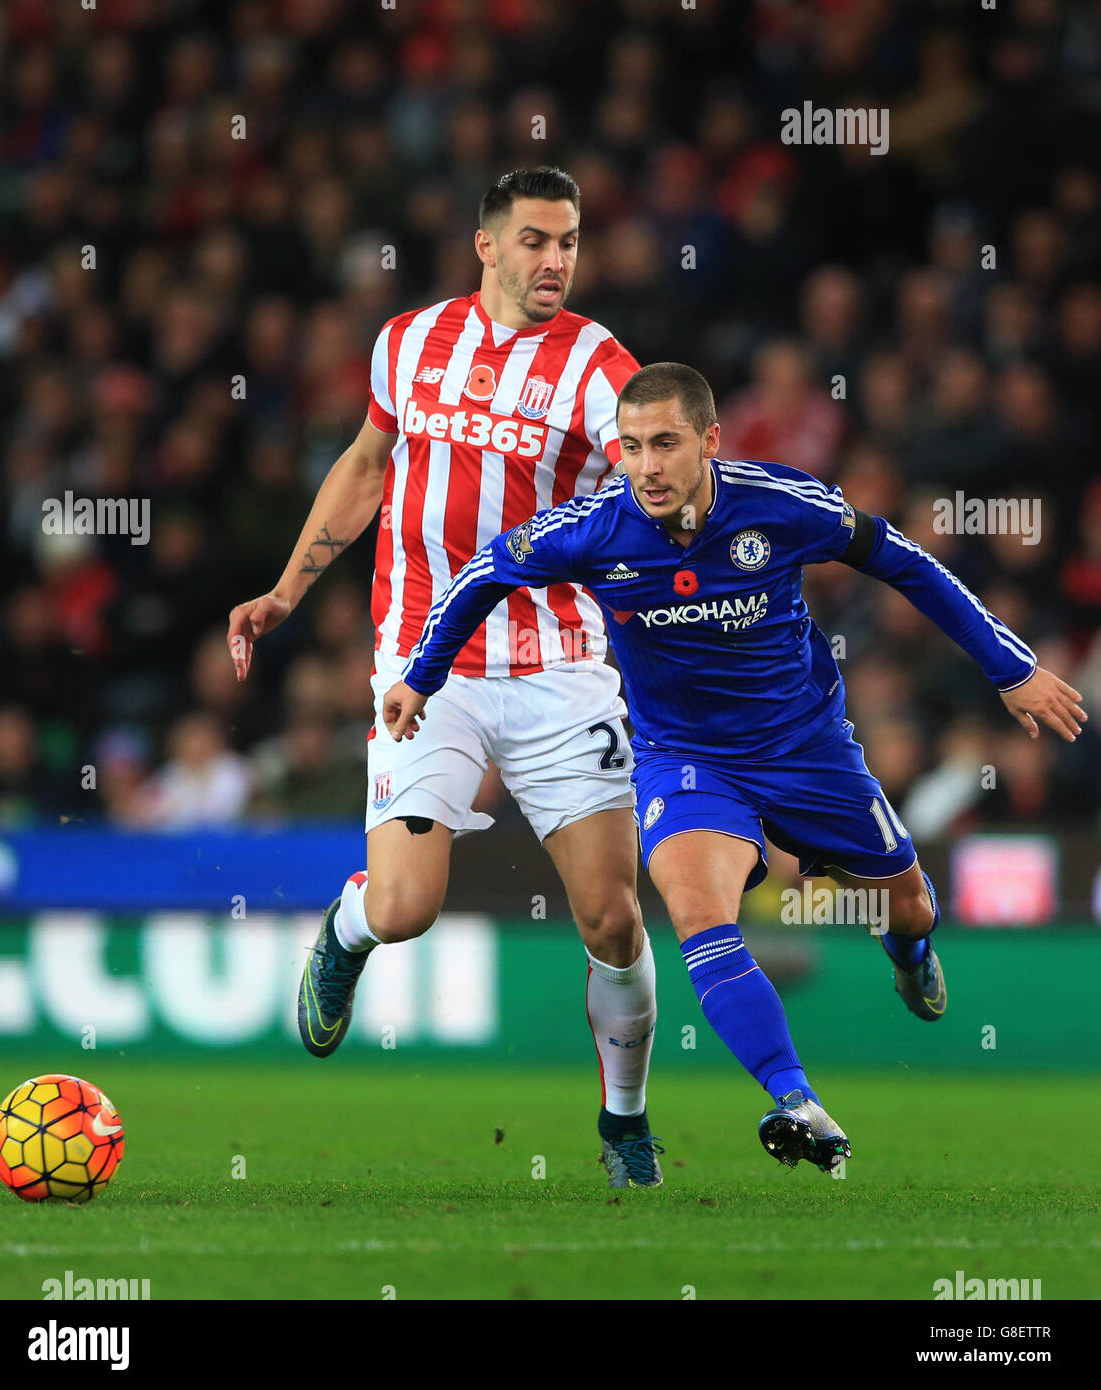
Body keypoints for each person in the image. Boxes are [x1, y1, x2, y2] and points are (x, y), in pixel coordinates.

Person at [383, 361, 1087, 1173]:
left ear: (709, 442)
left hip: (806, 748)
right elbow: (483, 573)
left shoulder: (780, 504)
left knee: (909, 903)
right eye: (631, 446)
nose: (645, 466)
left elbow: (903, 561)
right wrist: (421, 676)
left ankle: (908, 952)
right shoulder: (593, 528)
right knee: (696, 913)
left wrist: (1011, 668)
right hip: (684, 758)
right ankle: (796, 1099)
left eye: (665, 444)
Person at [228, 168, 666, 1189]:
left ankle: (624, 1123)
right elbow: (369, 464)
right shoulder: (409, 342)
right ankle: (345, 932)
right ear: (485, 244)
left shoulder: (601, 368)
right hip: (426, 665)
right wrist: (289, 590)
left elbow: (649, 480)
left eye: (567, 240)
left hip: (558, 666)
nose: (554, 259)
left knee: (611, 916)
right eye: (533, 240)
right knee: (407, 904)